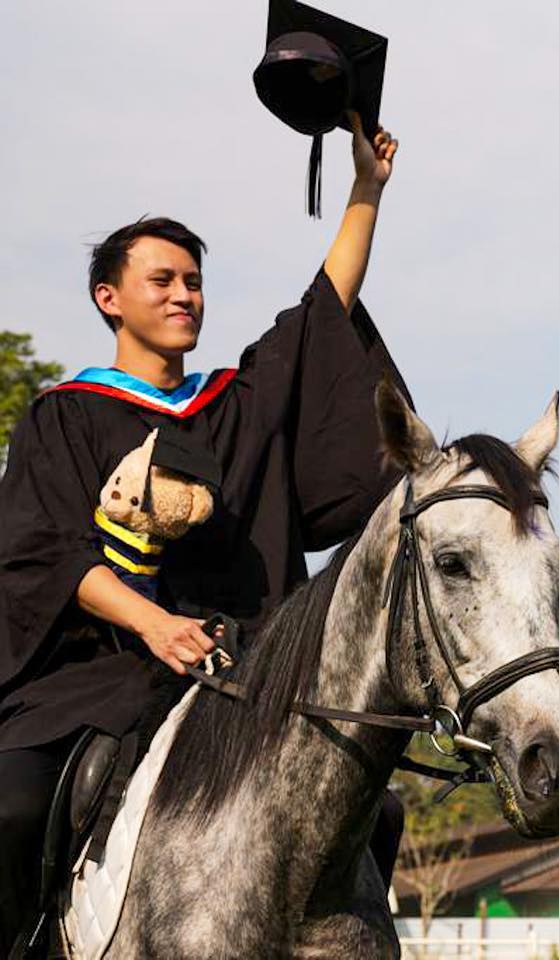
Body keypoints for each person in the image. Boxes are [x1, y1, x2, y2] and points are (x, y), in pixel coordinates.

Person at [0, 114, 406, 949]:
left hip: (244, 669)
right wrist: (153, 623)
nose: (184, 295)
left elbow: (323, 310)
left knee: (379, 812)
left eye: (193, 281)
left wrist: (366, 189)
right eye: (162, 281)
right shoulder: (63, 416)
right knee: (12, 804)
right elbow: (46, 552)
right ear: (110, 299)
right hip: (102, 674)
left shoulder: (236, 405)